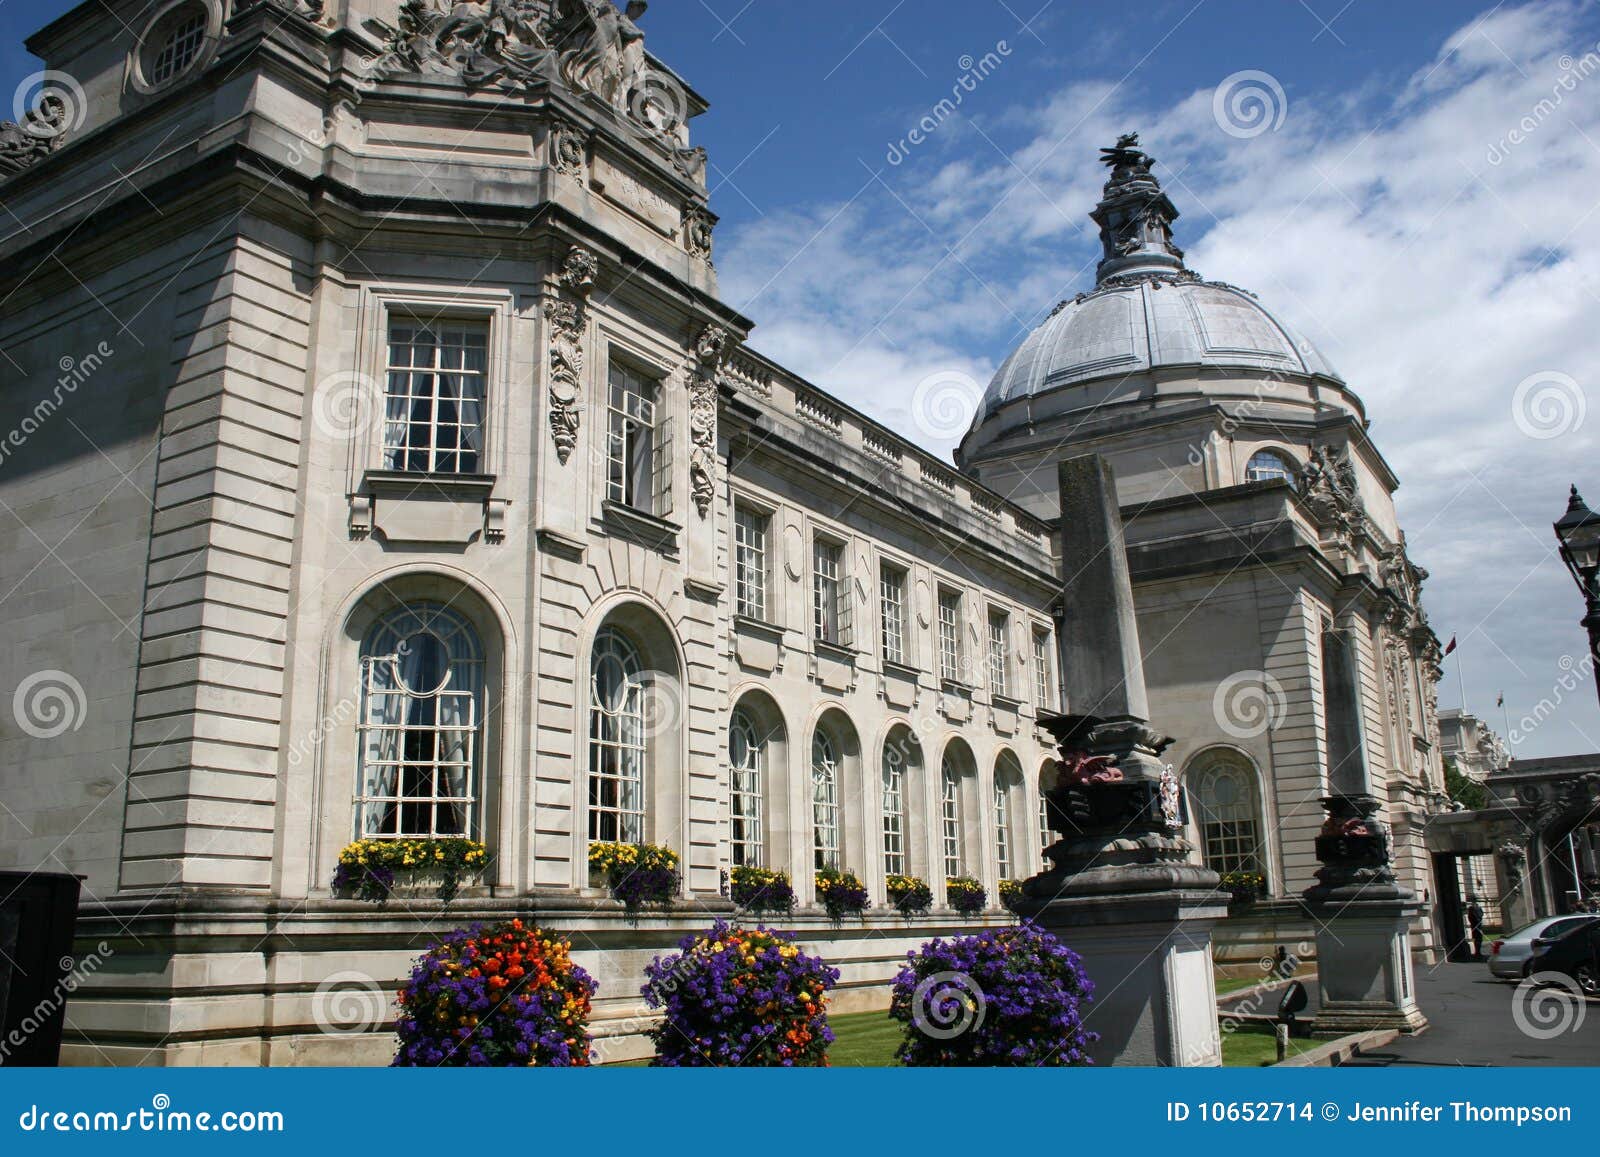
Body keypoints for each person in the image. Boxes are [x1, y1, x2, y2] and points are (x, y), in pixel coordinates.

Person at [1465, 895, 1485, 959]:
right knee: (1476, 939)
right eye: (1474, 900)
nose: (1475, 901)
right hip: (1475, 926)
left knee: (1480, 939)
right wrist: (1474, 924)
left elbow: (1482, 914)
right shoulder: (1471, 908)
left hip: (1479, 925)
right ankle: (1477, 952)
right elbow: (1470, 917)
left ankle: (1479, 952)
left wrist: (1480, 920)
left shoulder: (1479, 907)